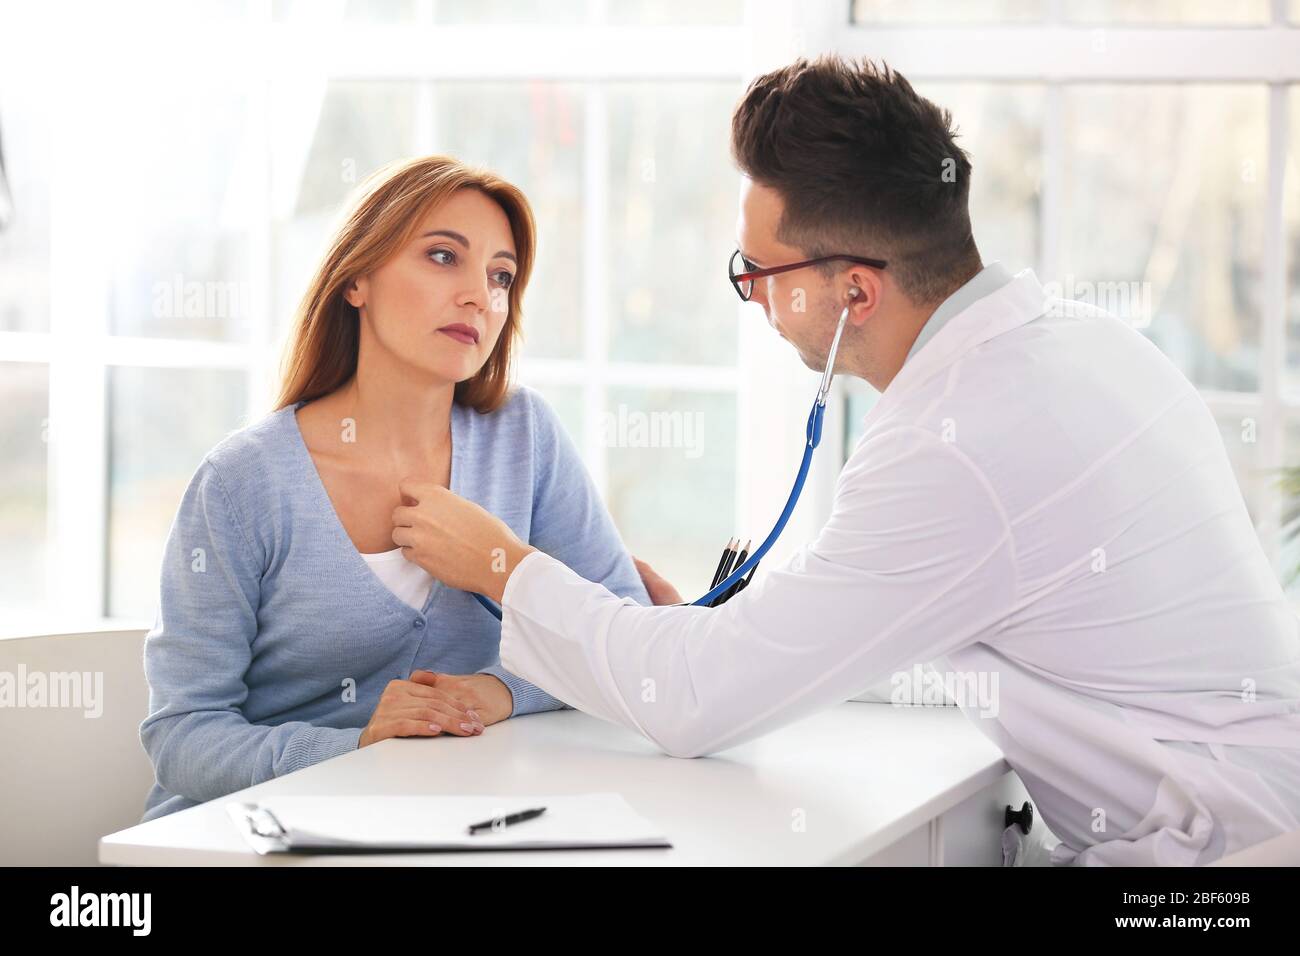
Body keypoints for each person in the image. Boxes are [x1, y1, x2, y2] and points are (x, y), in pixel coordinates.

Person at [391, 57, 1300, 866]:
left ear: (855, 289)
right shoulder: (1085, 344)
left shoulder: (956, 440)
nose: (753, 300)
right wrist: (704, 640)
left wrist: (500, 566)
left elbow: (695, 703)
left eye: (758, 275)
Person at [139, 156, 649, 822]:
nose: (479, 296)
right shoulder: (242, 484)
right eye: (444, 257)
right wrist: (358, 746)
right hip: (255, 838)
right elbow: (183, 737)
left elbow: (621, 640)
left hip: (439, 827)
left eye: (501, 277)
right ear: (356, 279)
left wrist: (498, 692)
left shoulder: (524, 436)